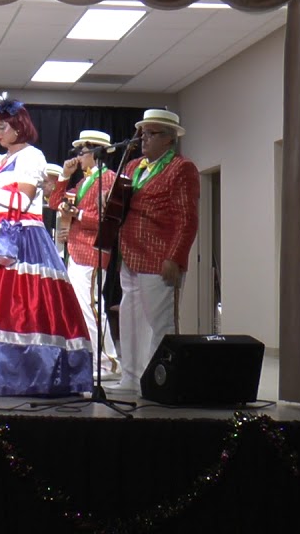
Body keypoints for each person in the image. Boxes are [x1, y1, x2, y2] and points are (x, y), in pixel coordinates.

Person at [0, 93, 94, 397]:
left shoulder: (33, 157)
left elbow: (21, 199)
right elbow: (2, 199)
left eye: (3, 126)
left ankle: (23, 373)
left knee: (23, 305)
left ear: (19, 127)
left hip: (23, 239)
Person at [106, 109, 200, 396]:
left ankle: (160, 381)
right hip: (130, 256)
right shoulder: (133, 166)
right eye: (143, 133)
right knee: (130, 319)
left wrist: (176, 256)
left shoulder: (181, 169)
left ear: (170, 139)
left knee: (160, 323)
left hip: (160, 258)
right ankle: (132, 378)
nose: (144, 138)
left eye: (152, 133)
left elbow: (188, 218)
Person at [48, 129, 121, 379]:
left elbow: (106, 219)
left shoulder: (109, 179)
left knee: (91, 307)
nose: (78, 156)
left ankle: (107, 362)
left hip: (92, 252)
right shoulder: (81, 182)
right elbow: (54, 203)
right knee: (83, 307)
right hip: (76, 252)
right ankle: (93, 358)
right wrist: (64, 176)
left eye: (82, 151)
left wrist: (77, 214)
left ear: (95, 152)